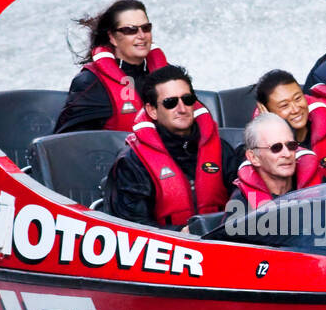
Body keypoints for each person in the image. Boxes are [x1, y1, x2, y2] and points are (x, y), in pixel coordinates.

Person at [101, 65, 239, 227]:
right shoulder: (132, 162)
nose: (181, 109)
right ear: (152, 111)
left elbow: (243, 207)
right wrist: (183, 233)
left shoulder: (221, 149)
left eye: (187, 100)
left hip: (221, 243)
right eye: (170, 103)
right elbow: (132, 228)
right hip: (166, 248)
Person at [53, 0, 168, 134]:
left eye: (146, 28)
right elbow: (67, 143)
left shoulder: (170, 76)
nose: (141, 35)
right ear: (112, 37)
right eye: (130, 30)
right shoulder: (91, 83)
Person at [254, 69, 326, 182]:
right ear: (267, 111)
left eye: (298, 98)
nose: (296, 109)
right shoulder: (256, 152)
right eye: (284, 105)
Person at [230, 114, 322, 209]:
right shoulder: (241, 202)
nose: (287, 154)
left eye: (291, 145)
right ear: (253, 157)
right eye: (276, 148)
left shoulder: (319, 184)